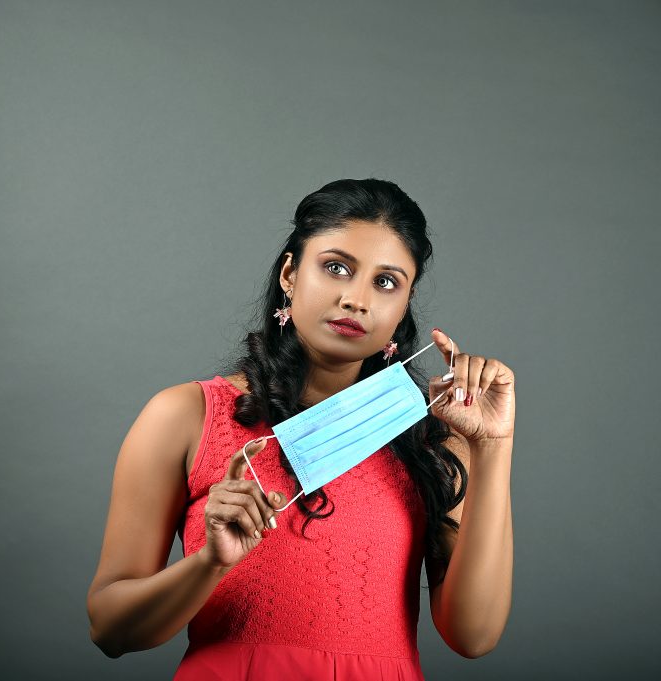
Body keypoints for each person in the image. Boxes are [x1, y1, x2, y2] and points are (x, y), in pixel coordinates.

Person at [86, 178, 515, 680]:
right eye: (336, 268)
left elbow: (474, 636)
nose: (356, 299)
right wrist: (209, 564)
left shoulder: (432, 440)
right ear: (290, 273)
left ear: (404, 304)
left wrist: (493, 445)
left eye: (385, 282)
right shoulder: (185, 415)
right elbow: (110, 629)